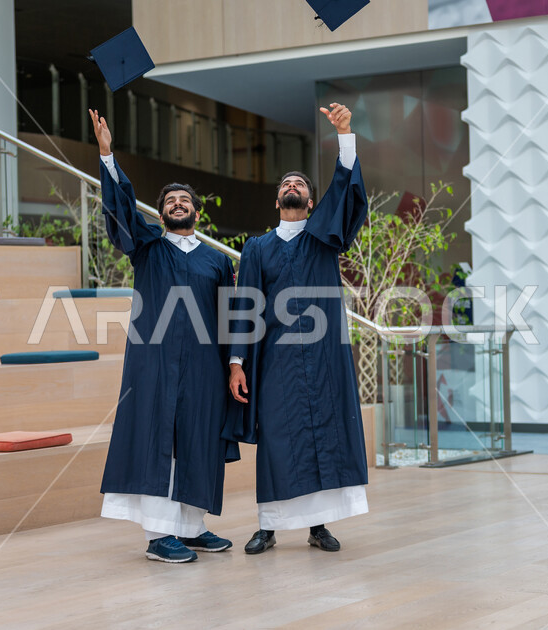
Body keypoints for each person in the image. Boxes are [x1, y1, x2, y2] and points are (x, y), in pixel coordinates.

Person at [91, 109, 239, 564]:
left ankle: (191, 528)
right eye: (170, 200)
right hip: (154, 361)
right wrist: (107, 155)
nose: (177, 203)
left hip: (203, 365)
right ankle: (159, 536)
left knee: (198, 439)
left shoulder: (217, 262)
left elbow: (232, 316)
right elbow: (120, 212)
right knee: (160, 439)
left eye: (184, 199)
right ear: (161, 211)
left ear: (197, 210)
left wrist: (234, 363)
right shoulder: (148, 247)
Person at [226, 102, 369, 554]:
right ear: (277, 201)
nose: (292, 186)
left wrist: (345, 135)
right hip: (276, 360)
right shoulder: (257, 248)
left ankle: (318, 526)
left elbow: (346, 191)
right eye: (285, 184)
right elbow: (245, 307)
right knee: (277, 438)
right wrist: (236, 362)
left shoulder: (324, 236)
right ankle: (268, 526)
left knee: (325, 431)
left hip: (324, 354)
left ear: (310, 202)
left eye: (300, 185)